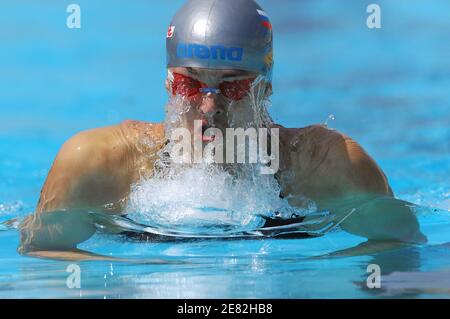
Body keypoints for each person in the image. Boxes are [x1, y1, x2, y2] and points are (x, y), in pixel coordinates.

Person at [18, 0, 426, 259]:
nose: (210, 108)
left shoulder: (329, 166)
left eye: (233, 86)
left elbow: (400, 253)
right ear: (167, 84)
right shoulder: (97, 164)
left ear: (266, 89)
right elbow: (44, 254)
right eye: (190, 85)